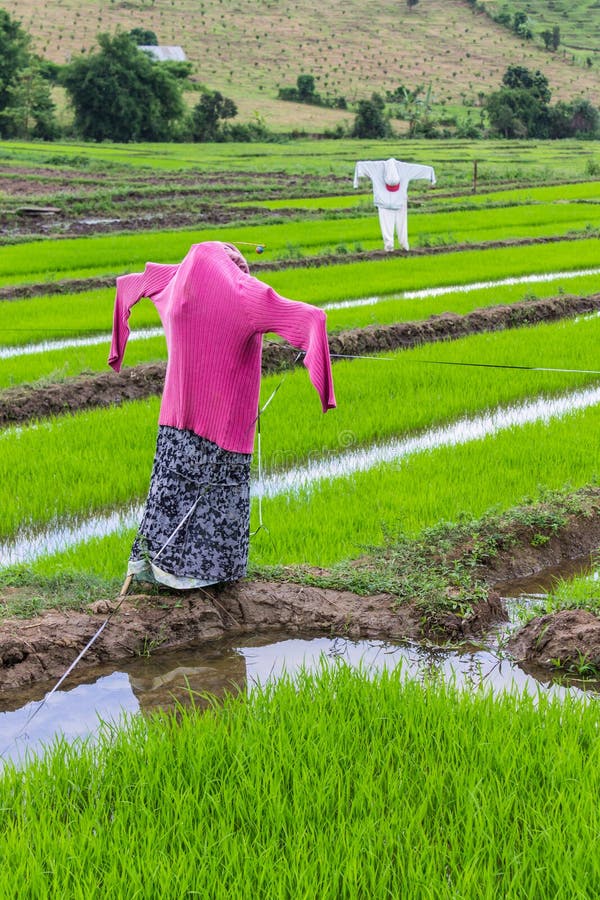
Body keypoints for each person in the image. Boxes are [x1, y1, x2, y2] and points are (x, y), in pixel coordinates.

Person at [109, 241, 336, 589]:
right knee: (216, 497)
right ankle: (207, 578)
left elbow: (129, 284)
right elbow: (311, 317)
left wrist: (118, 348)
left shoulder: (175, 280)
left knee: (171, 490)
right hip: (224, 424)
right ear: (234, 267)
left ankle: (156, 569)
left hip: (175, 418)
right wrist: (323, 384)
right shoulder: (243, 292)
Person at [353, 157, 436, 252]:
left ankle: (401, 247)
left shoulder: (403, 168)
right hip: (388, 202)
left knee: (398, 225)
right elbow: (360, 165)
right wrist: (356, 182)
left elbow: (360, 165)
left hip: (393, 202)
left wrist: (431, 174)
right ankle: (393, 248)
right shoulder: (377, 167)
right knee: (391, 226)